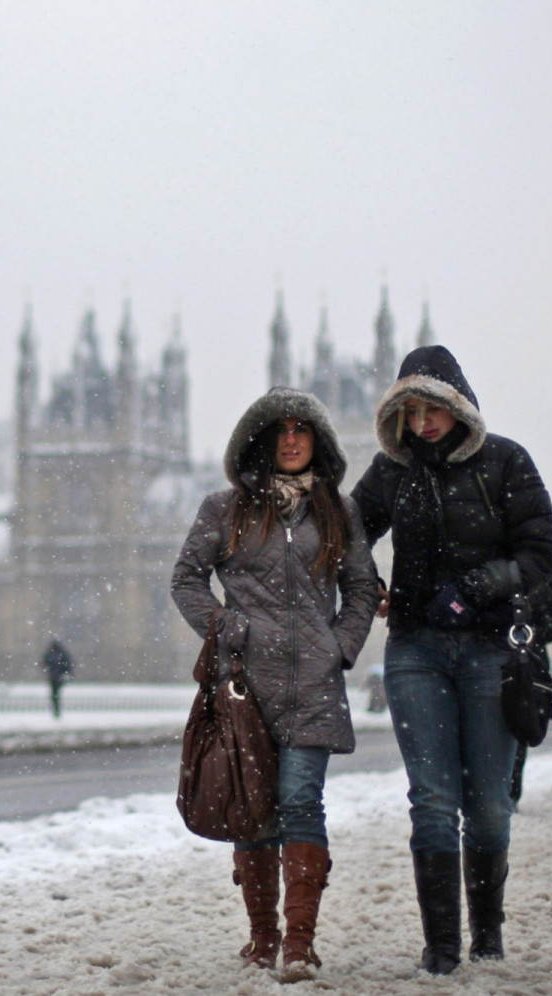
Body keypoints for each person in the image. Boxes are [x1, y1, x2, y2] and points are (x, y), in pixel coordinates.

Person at [350, 345, 552, 974]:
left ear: (459, 403)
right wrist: (369, 585)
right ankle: (441, 947)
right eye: (411, 412)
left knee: (490, 804)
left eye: (433, 408)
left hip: (489, 650)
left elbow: (539, 553)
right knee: (433, 800)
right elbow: (345, 532)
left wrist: (477, 589)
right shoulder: (392, 472)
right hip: (415, 649)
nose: (423, 423)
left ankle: (487, 933)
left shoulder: (505, 461)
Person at [172, 388, 382, 982]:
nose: (291, 439)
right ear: (260, 442)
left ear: (318, 440)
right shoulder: (224, 509)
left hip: (314, 686)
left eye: (303, 429)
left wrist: (339, 646)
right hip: (248, 687)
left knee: (300, 802)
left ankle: (299, 943)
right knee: (256, 811)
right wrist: (228, 628)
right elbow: (185, 580)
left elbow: (363, 587)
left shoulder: (338, 512)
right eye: (280, 430)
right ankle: (262, 937)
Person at [40, 639, 73, 718]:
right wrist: (67, 673)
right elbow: (67, 664)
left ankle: (56, 709)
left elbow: (44, 663)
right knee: (56, 694)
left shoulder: (51, 654)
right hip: (58, 677)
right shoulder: (61, 654)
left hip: (53, 676)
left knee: (54, 694)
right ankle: (56, 710)